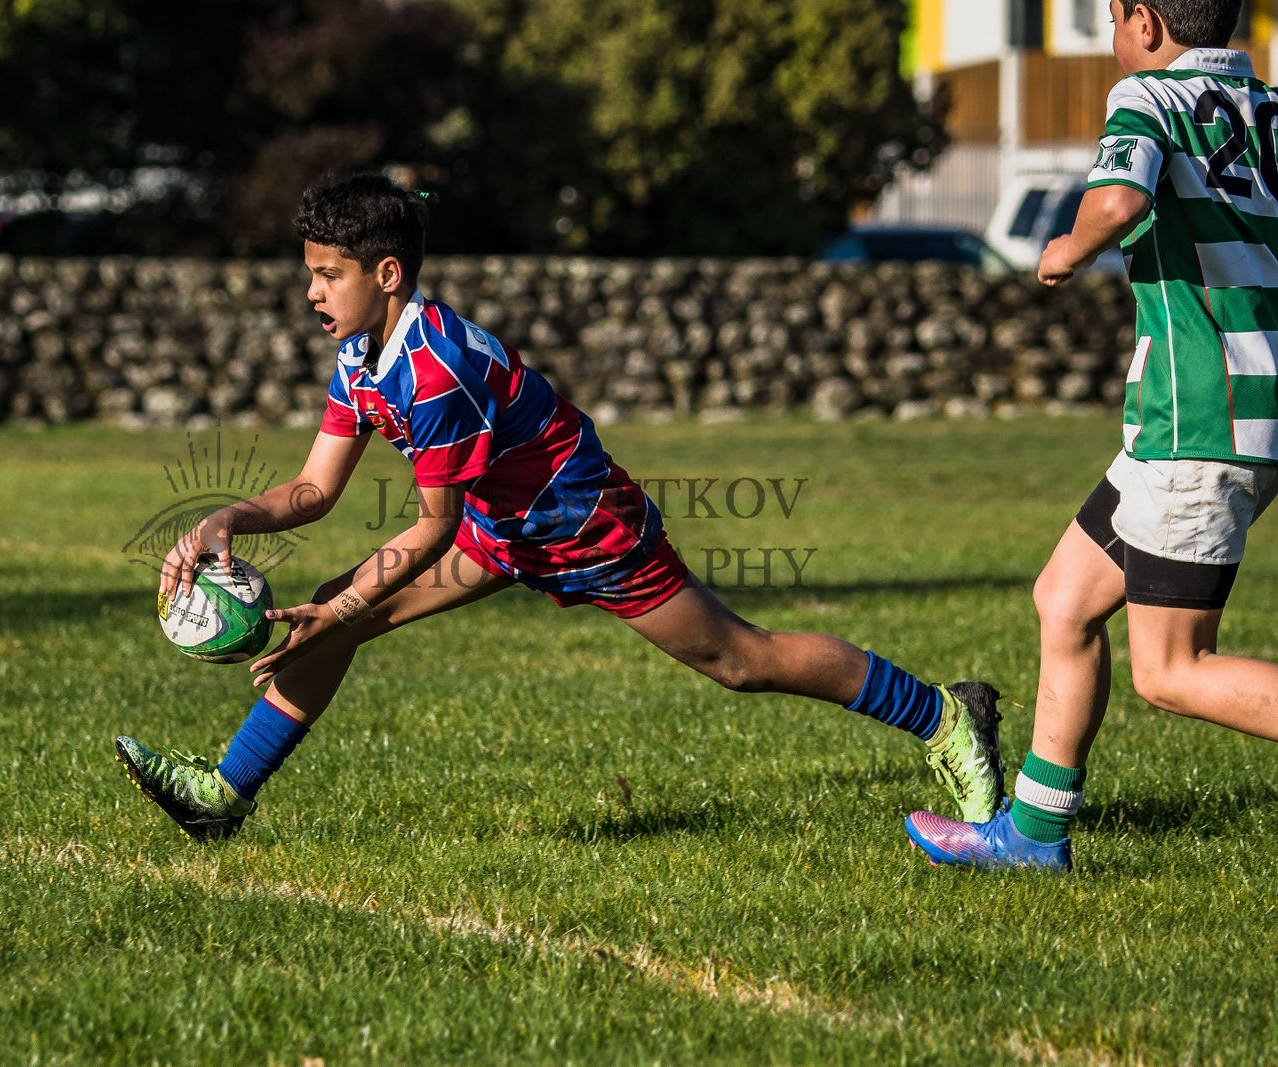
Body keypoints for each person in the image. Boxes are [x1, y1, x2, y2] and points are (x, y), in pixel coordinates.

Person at [115, 173, 1003, 842]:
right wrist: (228, 519)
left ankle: (946, 717)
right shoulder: (359, 353)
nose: (310, 291)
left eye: (326, 274)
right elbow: (314, 489)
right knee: (333, 617)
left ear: (386, 274)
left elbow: (431, 526)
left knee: (741, 660)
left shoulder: (436, 370)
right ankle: (224, 796)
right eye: (308, 273)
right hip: (501, 526)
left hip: (582, 522)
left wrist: (347, 602)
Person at [906, 0, 1278, 872]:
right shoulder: (1266, 108)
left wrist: (1067, 249)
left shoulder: (1149, 95)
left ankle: (1033, 838)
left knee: (1172, 670)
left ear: (1143, 22)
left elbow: (1115, 199)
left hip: (1199, 418)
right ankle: (1034, 836)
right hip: (1224, 411)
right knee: (1066, 599)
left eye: (1111, 15)